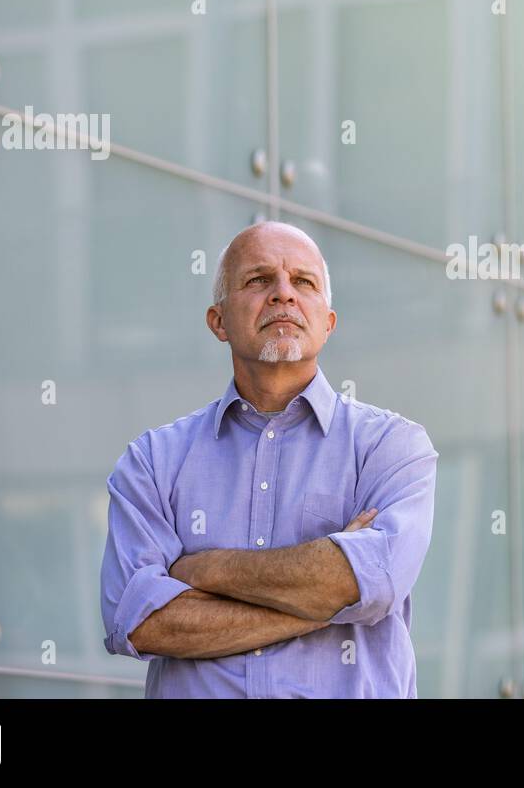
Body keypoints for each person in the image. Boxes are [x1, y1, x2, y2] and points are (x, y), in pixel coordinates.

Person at [99, 220, 437, 697]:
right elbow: (143, 624)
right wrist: (321, 590)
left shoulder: (391, 448)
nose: (283, 294)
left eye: (303, 282)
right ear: (218, 320)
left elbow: (371, 582)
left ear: (328, 321)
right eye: (259, 280)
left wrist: (203, 570)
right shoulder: (153, 462)